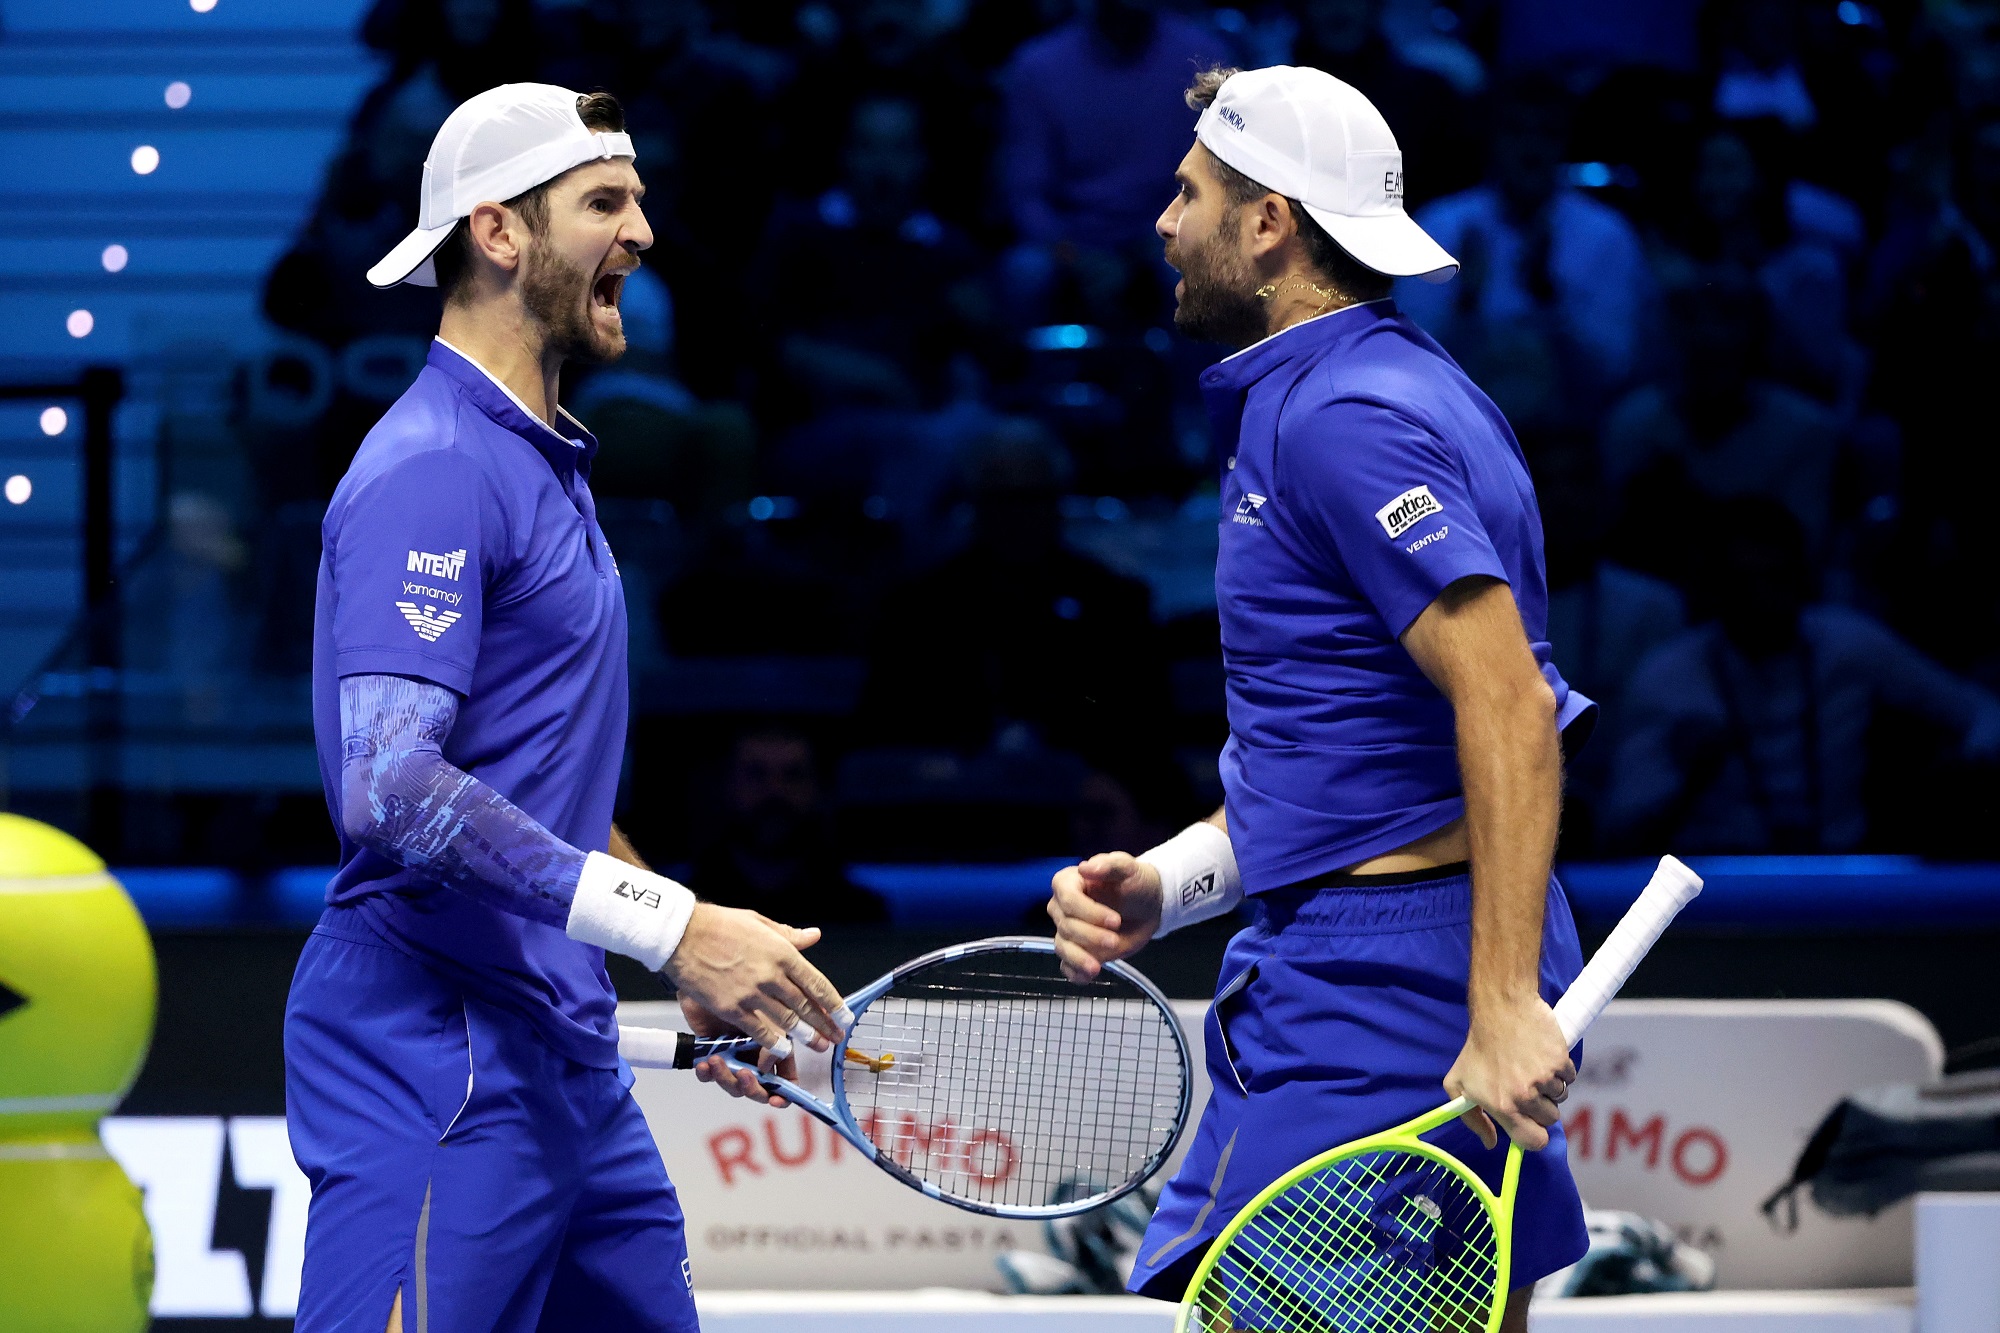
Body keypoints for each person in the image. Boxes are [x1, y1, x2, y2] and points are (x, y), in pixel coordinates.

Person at [290, 85, 849, 1333]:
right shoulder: (434, 466)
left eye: (637, 200)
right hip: (433, 1050)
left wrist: (669, 954)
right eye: (604, 203)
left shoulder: (542, 459)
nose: (641, 232)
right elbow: (388, 786)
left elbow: (533, 785)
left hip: (569, 1055)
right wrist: (676, 926)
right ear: (497, 231)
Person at [1044, 67, 1596, 1324]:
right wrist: (1172, 882)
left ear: (1267, 224)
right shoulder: (1381, 381)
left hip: (1382, 985)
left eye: (1187, 194)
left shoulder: (1346, 416)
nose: (1162, 223)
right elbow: (1354, 755)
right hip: (1373, 953)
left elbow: (1509, 702)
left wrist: (1497, 1002)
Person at [1600, 498, 2000, 852]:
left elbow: (1983, 711)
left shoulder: (1850, 643)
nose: (1763, 599)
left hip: (1841, 868)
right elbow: (1620, 829)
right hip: (1718, 874)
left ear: (1805, 578)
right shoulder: (1669, 676)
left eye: (1778, 578)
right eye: (1743, 583)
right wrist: (1686, 775)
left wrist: (1964, 768)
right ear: (1715, 587)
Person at [685, 726, 889, 925]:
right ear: (727, 785)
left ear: (819, 788)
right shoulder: (687, 914)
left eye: (793, 775)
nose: (775, 790)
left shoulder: (859, 913)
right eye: (756, 774)